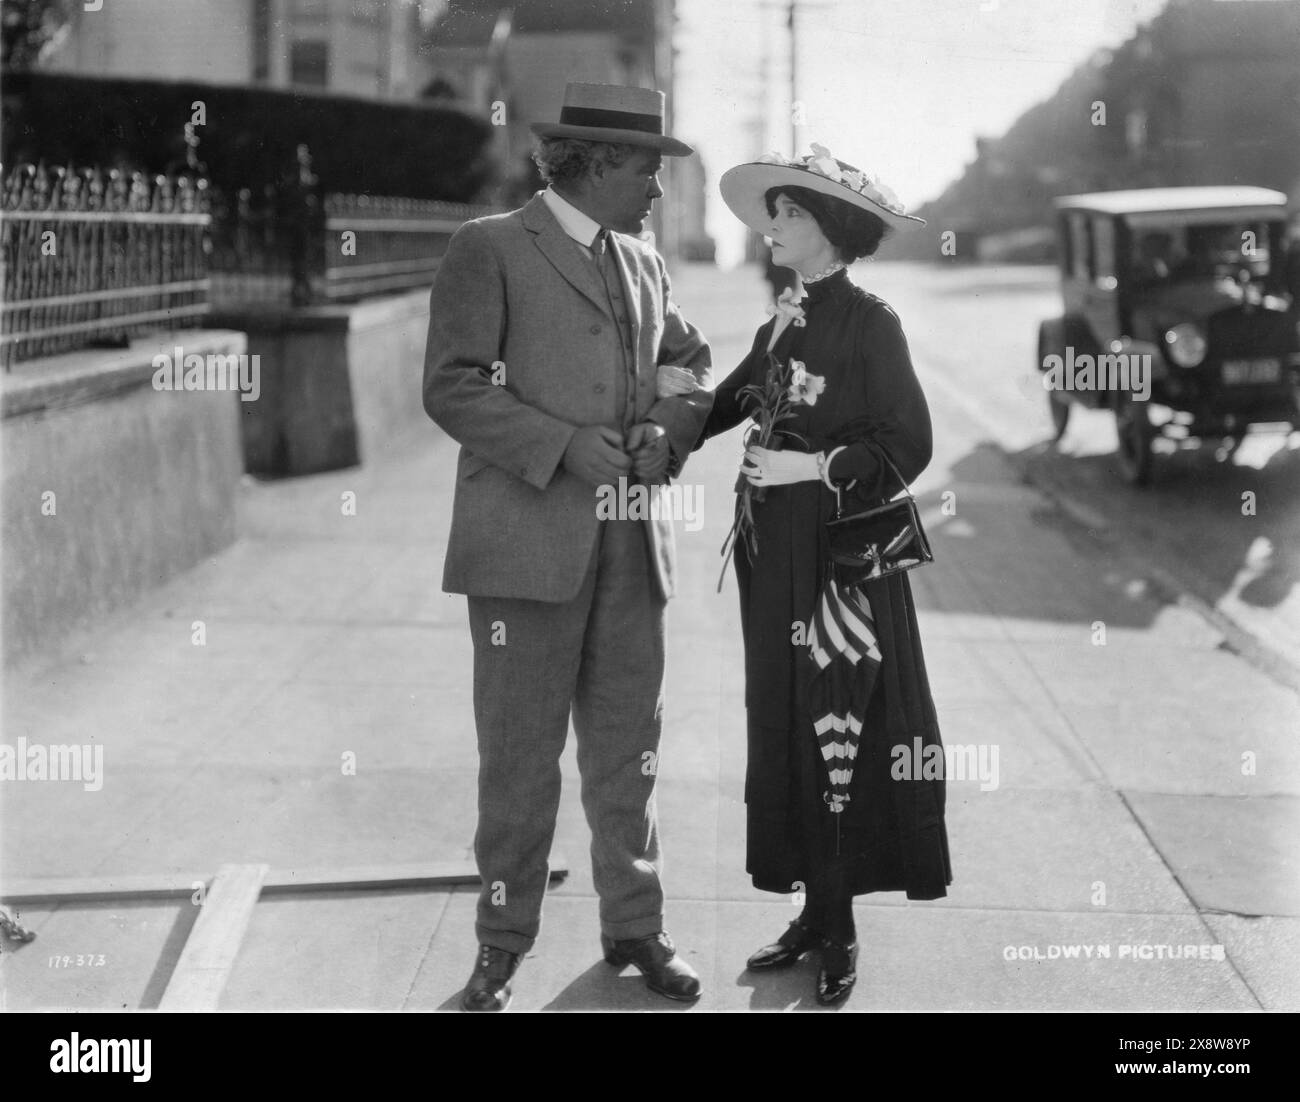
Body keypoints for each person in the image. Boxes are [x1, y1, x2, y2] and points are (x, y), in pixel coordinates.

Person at [423, 82, 714, 1012]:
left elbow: (689, 363)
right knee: (518, 756)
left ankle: (637, 927)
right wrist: (562, 444)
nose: (658, 188)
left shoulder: (645, 262)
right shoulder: (490, 248)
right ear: (592, 164)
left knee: (631, 750)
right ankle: (500, 946)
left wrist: (669, 428)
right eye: (647, 169)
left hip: (634, 552)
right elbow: (454, 386)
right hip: (524, 551)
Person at [671, 145, 952, 1005]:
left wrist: (812, 469)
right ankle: (810, 907)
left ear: (827, 231)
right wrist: (663, 436)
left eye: (787, 216)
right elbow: (731, 400)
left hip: (840, 568)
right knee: (786, 718)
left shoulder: (873, 323)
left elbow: (908, 445)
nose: (770, 228)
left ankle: (840, 927)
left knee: (843, 723)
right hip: (772, 559)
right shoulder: (786, 318)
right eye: (773, 214)